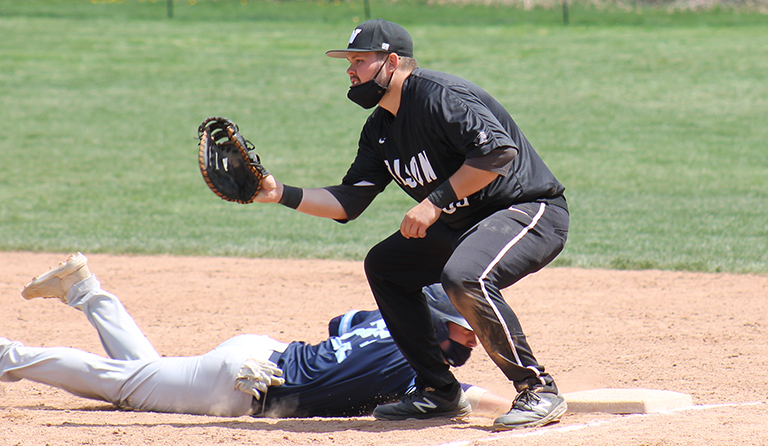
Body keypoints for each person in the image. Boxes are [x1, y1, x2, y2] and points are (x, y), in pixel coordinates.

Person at [252, 19, 569, 430]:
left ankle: (538, 389)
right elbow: (348, 201)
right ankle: (439, 391)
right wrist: (280, 192)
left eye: (360, 61)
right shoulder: (380, 129)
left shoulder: (440, 97)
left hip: (529, 210)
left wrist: (434, 203)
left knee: (463, 276)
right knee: (387, 266)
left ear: (393, 62)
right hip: (466, 223)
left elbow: (498, 154)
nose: (350, 71)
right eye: (348, 61)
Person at [1, 253, 510, 418]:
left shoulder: (391, 317)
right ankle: (8, 355)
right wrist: (518, 405)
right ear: (440, 320)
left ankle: (85, 290)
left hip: (257, 357)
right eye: (466, 330)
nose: (473, 340)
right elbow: (464, 397)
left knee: (143, 379)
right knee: (119, 384)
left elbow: (341, 326)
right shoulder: (419, 363)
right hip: (244, 384)